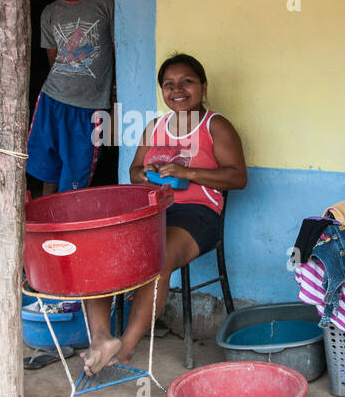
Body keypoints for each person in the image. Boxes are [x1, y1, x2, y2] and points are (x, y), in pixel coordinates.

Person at [80, 54, 247, 374]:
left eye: (187, 82)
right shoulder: (155, 126)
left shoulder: (215, 125)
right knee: (98, 251)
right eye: (168, 85)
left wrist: (190, 173)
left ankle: (125, 350)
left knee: (160, 256)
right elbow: (134, 171)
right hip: (154, 212)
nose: (178, 90)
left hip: (199, 215)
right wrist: (146, 174)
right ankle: (102, 338)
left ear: (203, 86)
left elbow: (238, 177)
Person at [26, 0, 114, 195]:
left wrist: (116, 88)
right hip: (51, 100)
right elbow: (54, 60)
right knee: (46, 171)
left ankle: (68, 232)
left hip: (90, 105)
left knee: (76, 179)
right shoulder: (50, 12)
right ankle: (46, 227)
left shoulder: (107, 4)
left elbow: (120, 49)